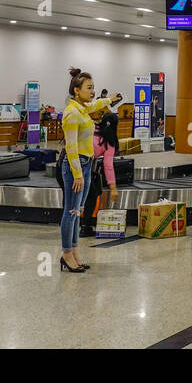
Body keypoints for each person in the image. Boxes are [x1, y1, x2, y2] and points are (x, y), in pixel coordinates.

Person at [58, 68, 118, 273]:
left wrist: (109, 99)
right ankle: (66, 253)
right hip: (74, 166)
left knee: (78, 211)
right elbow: (71, 147)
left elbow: (95, 104)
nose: (92, 91)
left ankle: (74, 252)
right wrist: (77, 175)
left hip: (86, 165)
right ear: (77, 90)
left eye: (93, 87)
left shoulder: (82, 108)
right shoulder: (72, 112)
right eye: (89, 88)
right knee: (71, 211)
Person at [81, 97, 124, 238]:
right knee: (92, 195)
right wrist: (113, 188)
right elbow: (108, 165)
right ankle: (85, 226)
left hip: (65, 161)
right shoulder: (109, 141)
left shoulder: (93, 127)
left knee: (74, 198)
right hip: (82, 165)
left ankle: (71, 225)